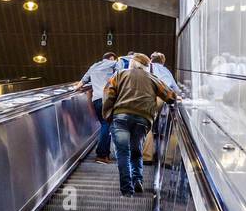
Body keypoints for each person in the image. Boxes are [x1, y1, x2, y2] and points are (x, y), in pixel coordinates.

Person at [102, 53, 176, 196]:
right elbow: (170, 96)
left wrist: (108, 114)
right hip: (143, 119)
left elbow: (108, 93)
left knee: (123, 152)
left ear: (132, 64)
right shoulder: (153, 78)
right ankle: (138, 180)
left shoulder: (120, 75)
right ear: (147, 67)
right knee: (137, 152)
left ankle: (127, 189)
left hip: (121, 116)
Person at [74, 52, 120, 163]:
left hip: (96, 100)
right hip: (108, 98)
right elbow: (122, 75)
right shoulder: (114, 63)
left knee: (105, 125)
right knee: (106, 125)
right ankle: (101, 154)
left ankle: (105, 155)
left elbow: (83, 81)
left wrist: (75, 89)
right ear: (111, 57)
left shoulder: (93, 66)